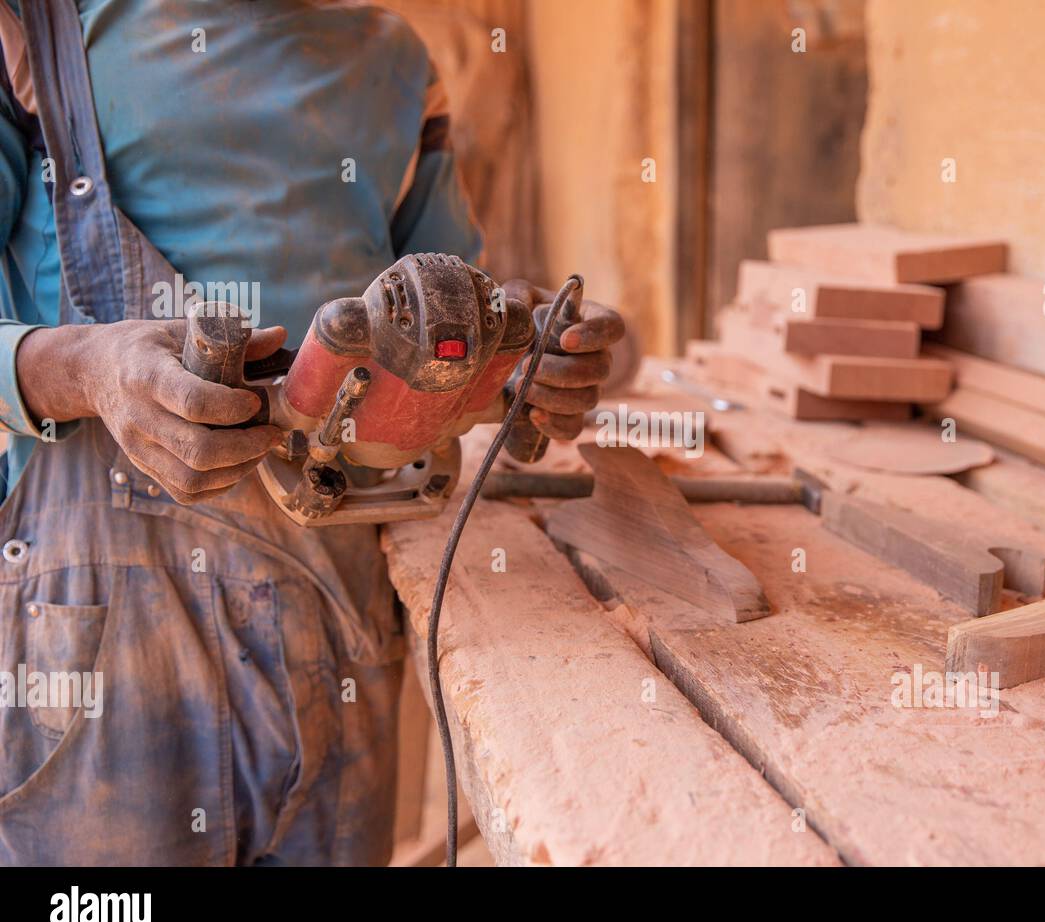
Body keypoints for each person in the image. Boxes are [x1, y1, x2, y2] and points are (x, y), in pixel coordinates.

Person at [0, 0, 623, 865]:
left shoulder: (397, 61)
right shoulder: (35, 32)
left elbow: (451, 325)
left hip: (336, 606)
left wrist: (517, 364)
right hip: (106, 634)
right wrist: (89, 370)